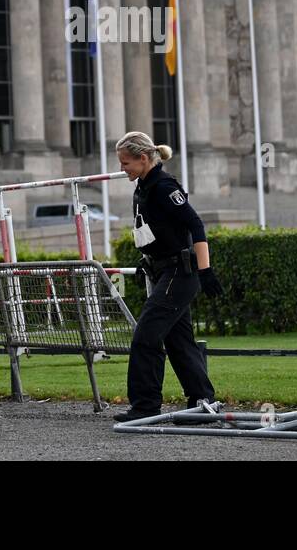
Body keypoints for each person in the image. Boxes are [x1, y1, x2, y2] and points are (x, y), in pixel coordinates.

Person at [112, 131, 223, 422]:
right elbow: (155, 230)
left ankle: (145, 406)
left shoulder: (163, 186)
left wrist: (205, 269)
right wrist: (146, 258)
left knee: (146, 336)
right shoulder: (143, 186)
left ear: (144, 158)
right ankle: (203, 403)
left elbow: (195, 224)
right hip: (163, 269)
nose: (122, 168)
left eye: (126, 163)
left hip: (179, 272)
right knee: (179, 342)